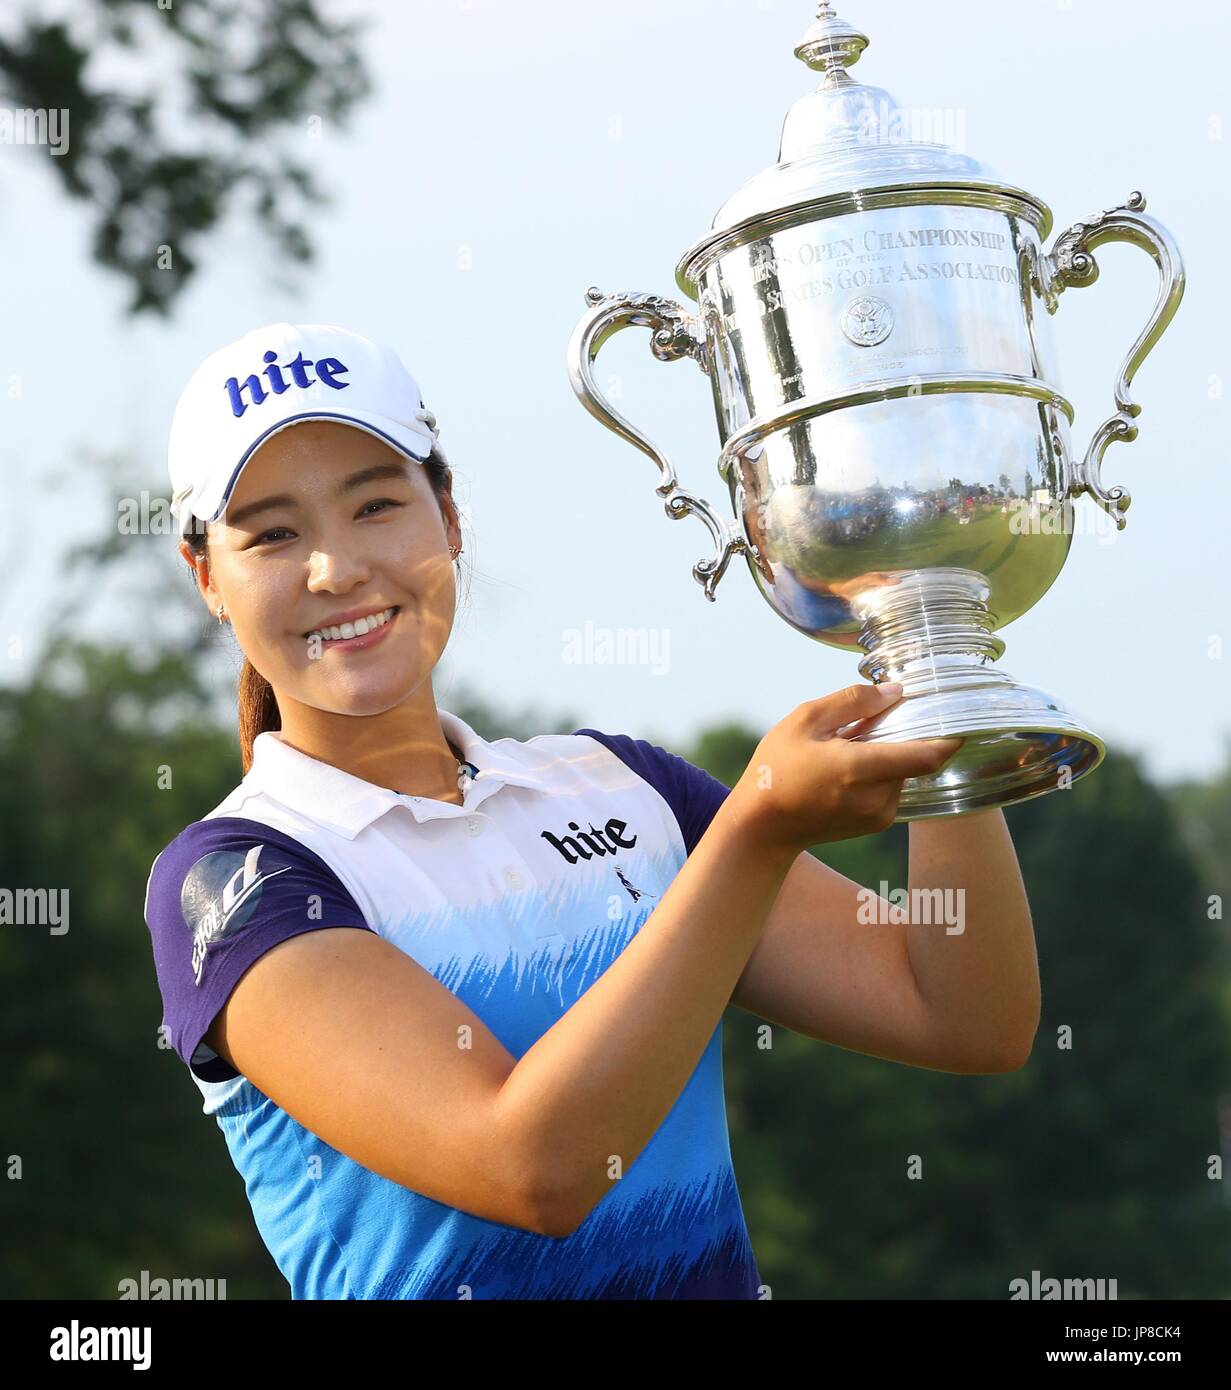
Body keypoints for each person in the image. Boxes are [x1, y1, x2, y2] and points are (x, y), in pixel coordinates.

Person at [144, 321, 1033, 1301]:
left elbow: (964, 1015)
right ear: (205, 579)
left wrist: (932, 660)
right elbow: (535, 1169)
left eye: (376, 505)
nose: (336, 568)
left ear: (447, 515)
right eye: (273, 533)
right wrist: (756, 829)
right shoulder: (235, 878)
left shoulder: (622, 786)